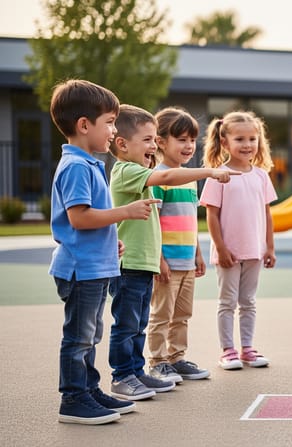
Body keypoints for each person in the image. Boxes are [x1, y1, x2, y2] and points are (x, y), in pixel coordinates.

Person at [48, 80, 159, 424]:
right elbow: (79, 218)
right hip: (81, 268)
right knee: (79, 337)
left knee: (91, 335)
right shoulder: (77, 167)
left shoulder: (90, 164)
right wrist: (125, 212)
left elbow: (91, 220)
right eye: (109, 122)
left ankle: (89, 389)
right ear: (84, 125)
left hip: (96, 265)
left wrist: (111, 240)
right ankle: (73, 398)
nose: (113, 130)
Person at [108, 105, 235, 401]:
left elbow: (188, 221)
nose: (152, 146)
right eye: (148, 140)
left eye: (153, 140)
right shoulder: (135, 173)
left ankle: (159, 363)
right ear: (122, 144)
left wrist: (197, 253)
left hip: (169, 260)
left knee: (156, 319)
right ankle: (139, 369)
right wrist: (211, 172)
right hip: (139, 262)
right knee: (140, 321)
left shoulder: (176, 178)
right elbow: (165, 182)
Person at [200, 111, 278, 370]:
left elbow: (267, 214)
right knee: (227, 302)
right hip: (228, 253)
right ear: (225, 142)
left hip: (255, 251)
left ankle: (247, 348)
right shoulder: (219, 175)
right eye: (240, 139)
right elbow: (212, 215)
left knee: (248, 302)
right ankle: (228, 351)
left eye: (252, 139)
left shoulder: (261, 176)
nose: (247, 145)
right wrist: (221, 248)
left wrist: (269, 247)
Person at [144, 107, 211, 383]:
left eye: (192, 140)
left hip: (186, 261)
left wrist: (198, 253)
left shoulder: (188, 179)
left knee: (182, 314)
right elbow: (153, 223)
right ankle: (158, 362)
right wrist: (159, 259)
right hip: (167, 262)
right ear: (160, 142)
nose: (189, 146)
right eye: (181, 139)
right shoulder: (158, 178)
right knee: (162, 314)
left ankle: (176, 358)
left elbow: (191, 220)